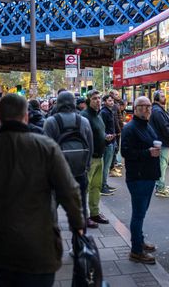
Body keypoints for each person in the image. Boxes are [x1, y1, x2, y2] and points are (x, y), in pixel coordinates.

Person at [0, 94, 84, 287]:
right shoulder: (46, 148)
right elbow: (70, 192)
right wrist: (78, 225)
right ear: (26, 116)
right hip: (41, 243)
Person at [121, 96, 161, 265]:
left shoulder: (147, 125)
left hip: (148, 175)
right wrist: (148, 152)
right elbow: (126, 152)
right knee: (138, 214)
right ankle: (136, 251)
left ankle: (140, 241)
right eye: (143, 106)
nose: (147, 109)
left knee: (142, 213)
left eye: (149, 106)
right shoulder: (130, 128)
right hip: (138, 177)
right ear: (135, 108)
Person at [44, 91, 93, 224]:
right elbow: (90, 146)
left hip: (58, 174)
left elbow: (46, 150)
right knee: (80, 208)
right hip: (80, 172)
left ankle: (52, 237)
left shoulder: (50, 122)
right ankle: (80, 241)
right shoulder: (83, 121)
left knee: (52, 207)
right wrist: (86, 166)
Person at [81, 90, 109, 228]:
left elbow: (100, 134)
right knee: (85, 188)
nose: (98, 101)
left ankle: (94, 213)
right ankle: (84, 216)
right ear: (88, 101)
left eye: (99, 98)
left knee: (96, 187)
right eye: (94, 98)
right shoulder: (84, 116)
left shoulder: (99, 115)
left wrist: (106, 139)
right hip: (89, 159)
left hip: (100, 156)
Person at [149, 89, 169, 198]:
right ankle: (160, 188)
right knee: (162, 164)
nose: (164, 97)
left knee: (162, 164)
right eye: (162, 96)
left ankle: (161, 185)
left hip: (162, 141)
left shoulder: (157, 110)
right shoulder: (158, 111)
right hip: (163, 142)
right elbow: (164, 127)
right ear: (157, 98)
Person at [100, 94, 117, 196]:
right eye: (110, 101)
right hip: (107, 142)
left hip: (112, 141)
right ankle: (103, 186)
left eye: (112, 101)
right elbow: (102, 127)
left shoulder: (110, 111)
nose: (112, 102)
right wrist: (107, 136)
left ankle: (105, 184)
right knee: (105, 166)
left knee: (107, 165)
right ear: (105, 102)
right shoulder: (104, 112)